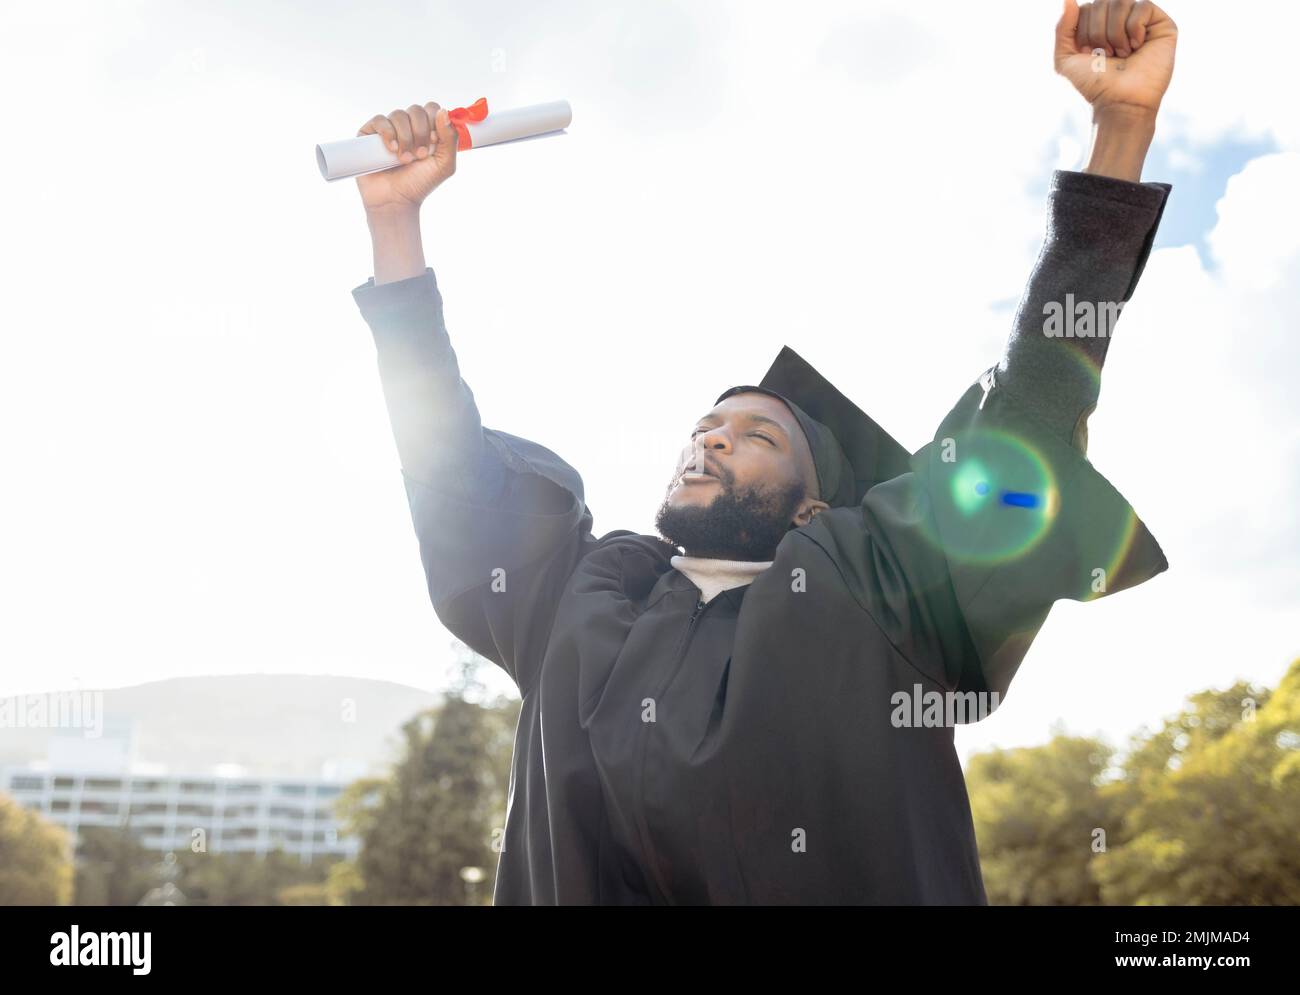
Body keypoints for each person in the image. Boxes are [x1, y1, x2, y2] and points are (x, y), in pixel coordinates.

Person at [347, 0, 1178, 904]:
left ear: (814, 506)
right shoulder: (581, 604)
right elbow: (449, 471)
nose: (713, 438)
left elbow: (1031, 408)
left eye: (757, 435)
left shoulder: (887, 587)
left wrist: (1119, 127)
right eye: (705, 427)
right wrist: (396, 225)